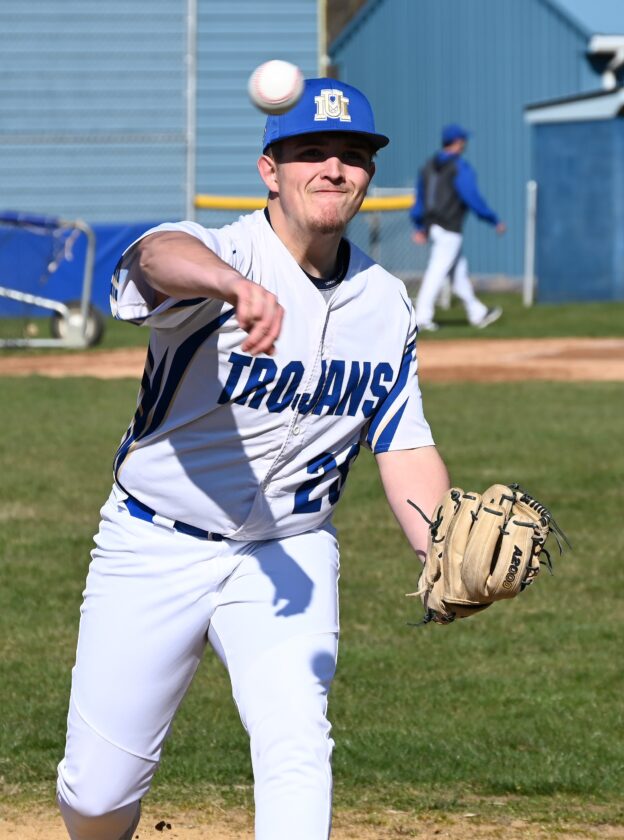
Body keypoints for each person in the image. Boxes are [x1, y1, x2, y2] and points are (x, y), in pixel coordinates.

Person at [56, 77, 450, 840]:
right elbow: (156, 257)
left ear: (369, 174)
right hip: (155, 542)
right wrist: (231, 287)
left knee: (297, 744)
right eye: (311, 152)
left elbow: (403, 442)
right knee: (96, 800)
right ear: (271, 169)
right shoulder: (221, 255)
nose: (333, 169)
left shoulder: (385, 303)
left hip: (289, 549)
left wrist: (441, 550)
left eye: (352, 155)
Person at [410, 123, 506, 332]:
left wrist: (419, 225)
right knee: (437, 271)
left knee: (458, 274)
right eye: (463, 140)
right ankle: (421, 317)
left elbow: (420, 198)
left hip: (434, 225)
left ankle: (477, 312)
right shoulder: (459, 166)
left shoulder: (428, 165)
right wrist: (493, 219)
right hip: (449, 227)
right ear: (458, 142)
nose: (465, 144)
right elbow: (471, 196)